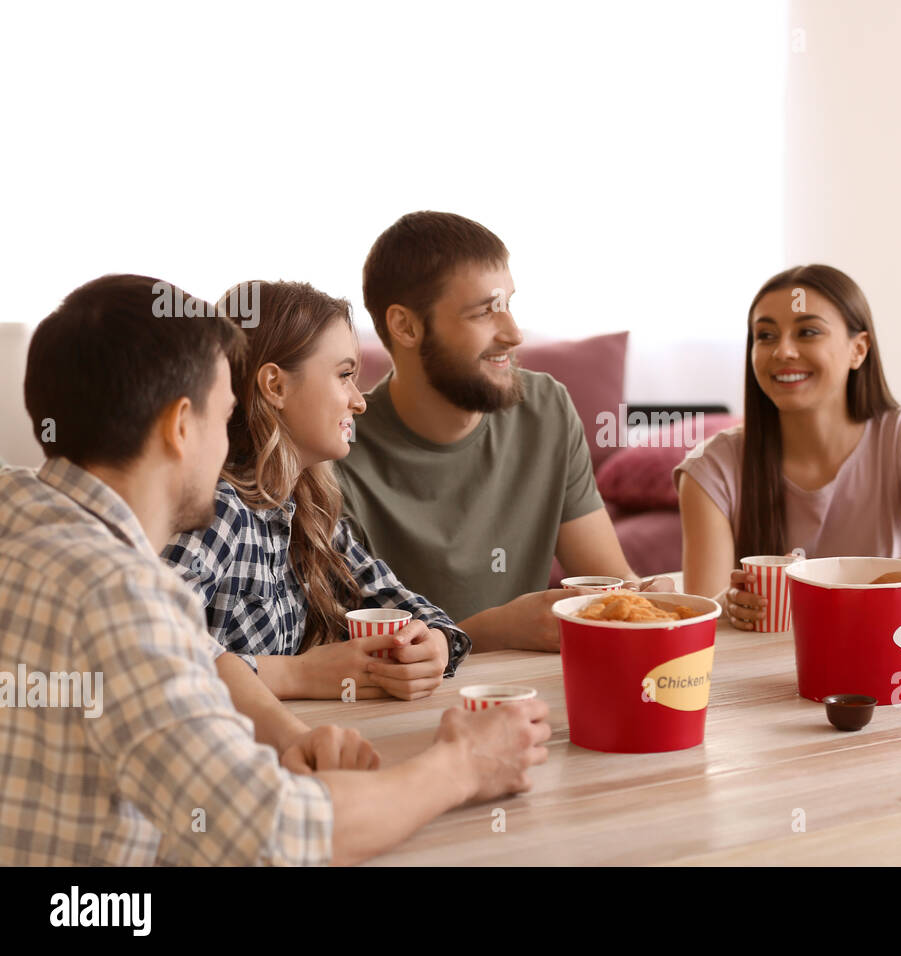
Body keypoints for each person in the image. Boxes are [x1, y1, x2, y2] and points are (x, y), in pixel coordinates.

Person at [0, 275, 549, 865]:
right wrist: (463, 765)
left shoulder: (16, 507)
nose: (228, 443)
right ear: (181, 426)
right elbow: (280, 837)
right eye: (225, 414)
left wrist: (290, 735)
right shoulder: (123, 595)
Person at [333, 210, 669, 654]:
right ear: (405, 326)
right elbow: (346, 651)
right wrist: (492, 632)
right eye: (483, 313)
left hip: (533, 694)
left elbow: (607, 582)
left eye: (508, 304)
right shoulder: (337, 451)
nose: (513, 334)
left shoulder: (545, 408)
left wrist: (642, 599)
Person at [161, 281, 468, 701]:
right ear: (276, 387)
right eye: (344, 376)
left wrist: (435, 644)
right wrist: (297, 675)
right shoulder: (218, 510)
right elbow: (152, 651)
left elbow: (401, 603)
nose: (359, 402)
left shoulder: (309, 510)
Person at [675, 264, 901, 627]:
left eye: (807, 332)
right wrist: (731, 605)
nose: (783, 351)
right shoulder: (710, 468)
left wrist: (830, 588)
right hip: (759, 665)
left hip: (876, 642)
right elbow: (704, 611)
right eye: (765, 336)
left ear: (859, 350)